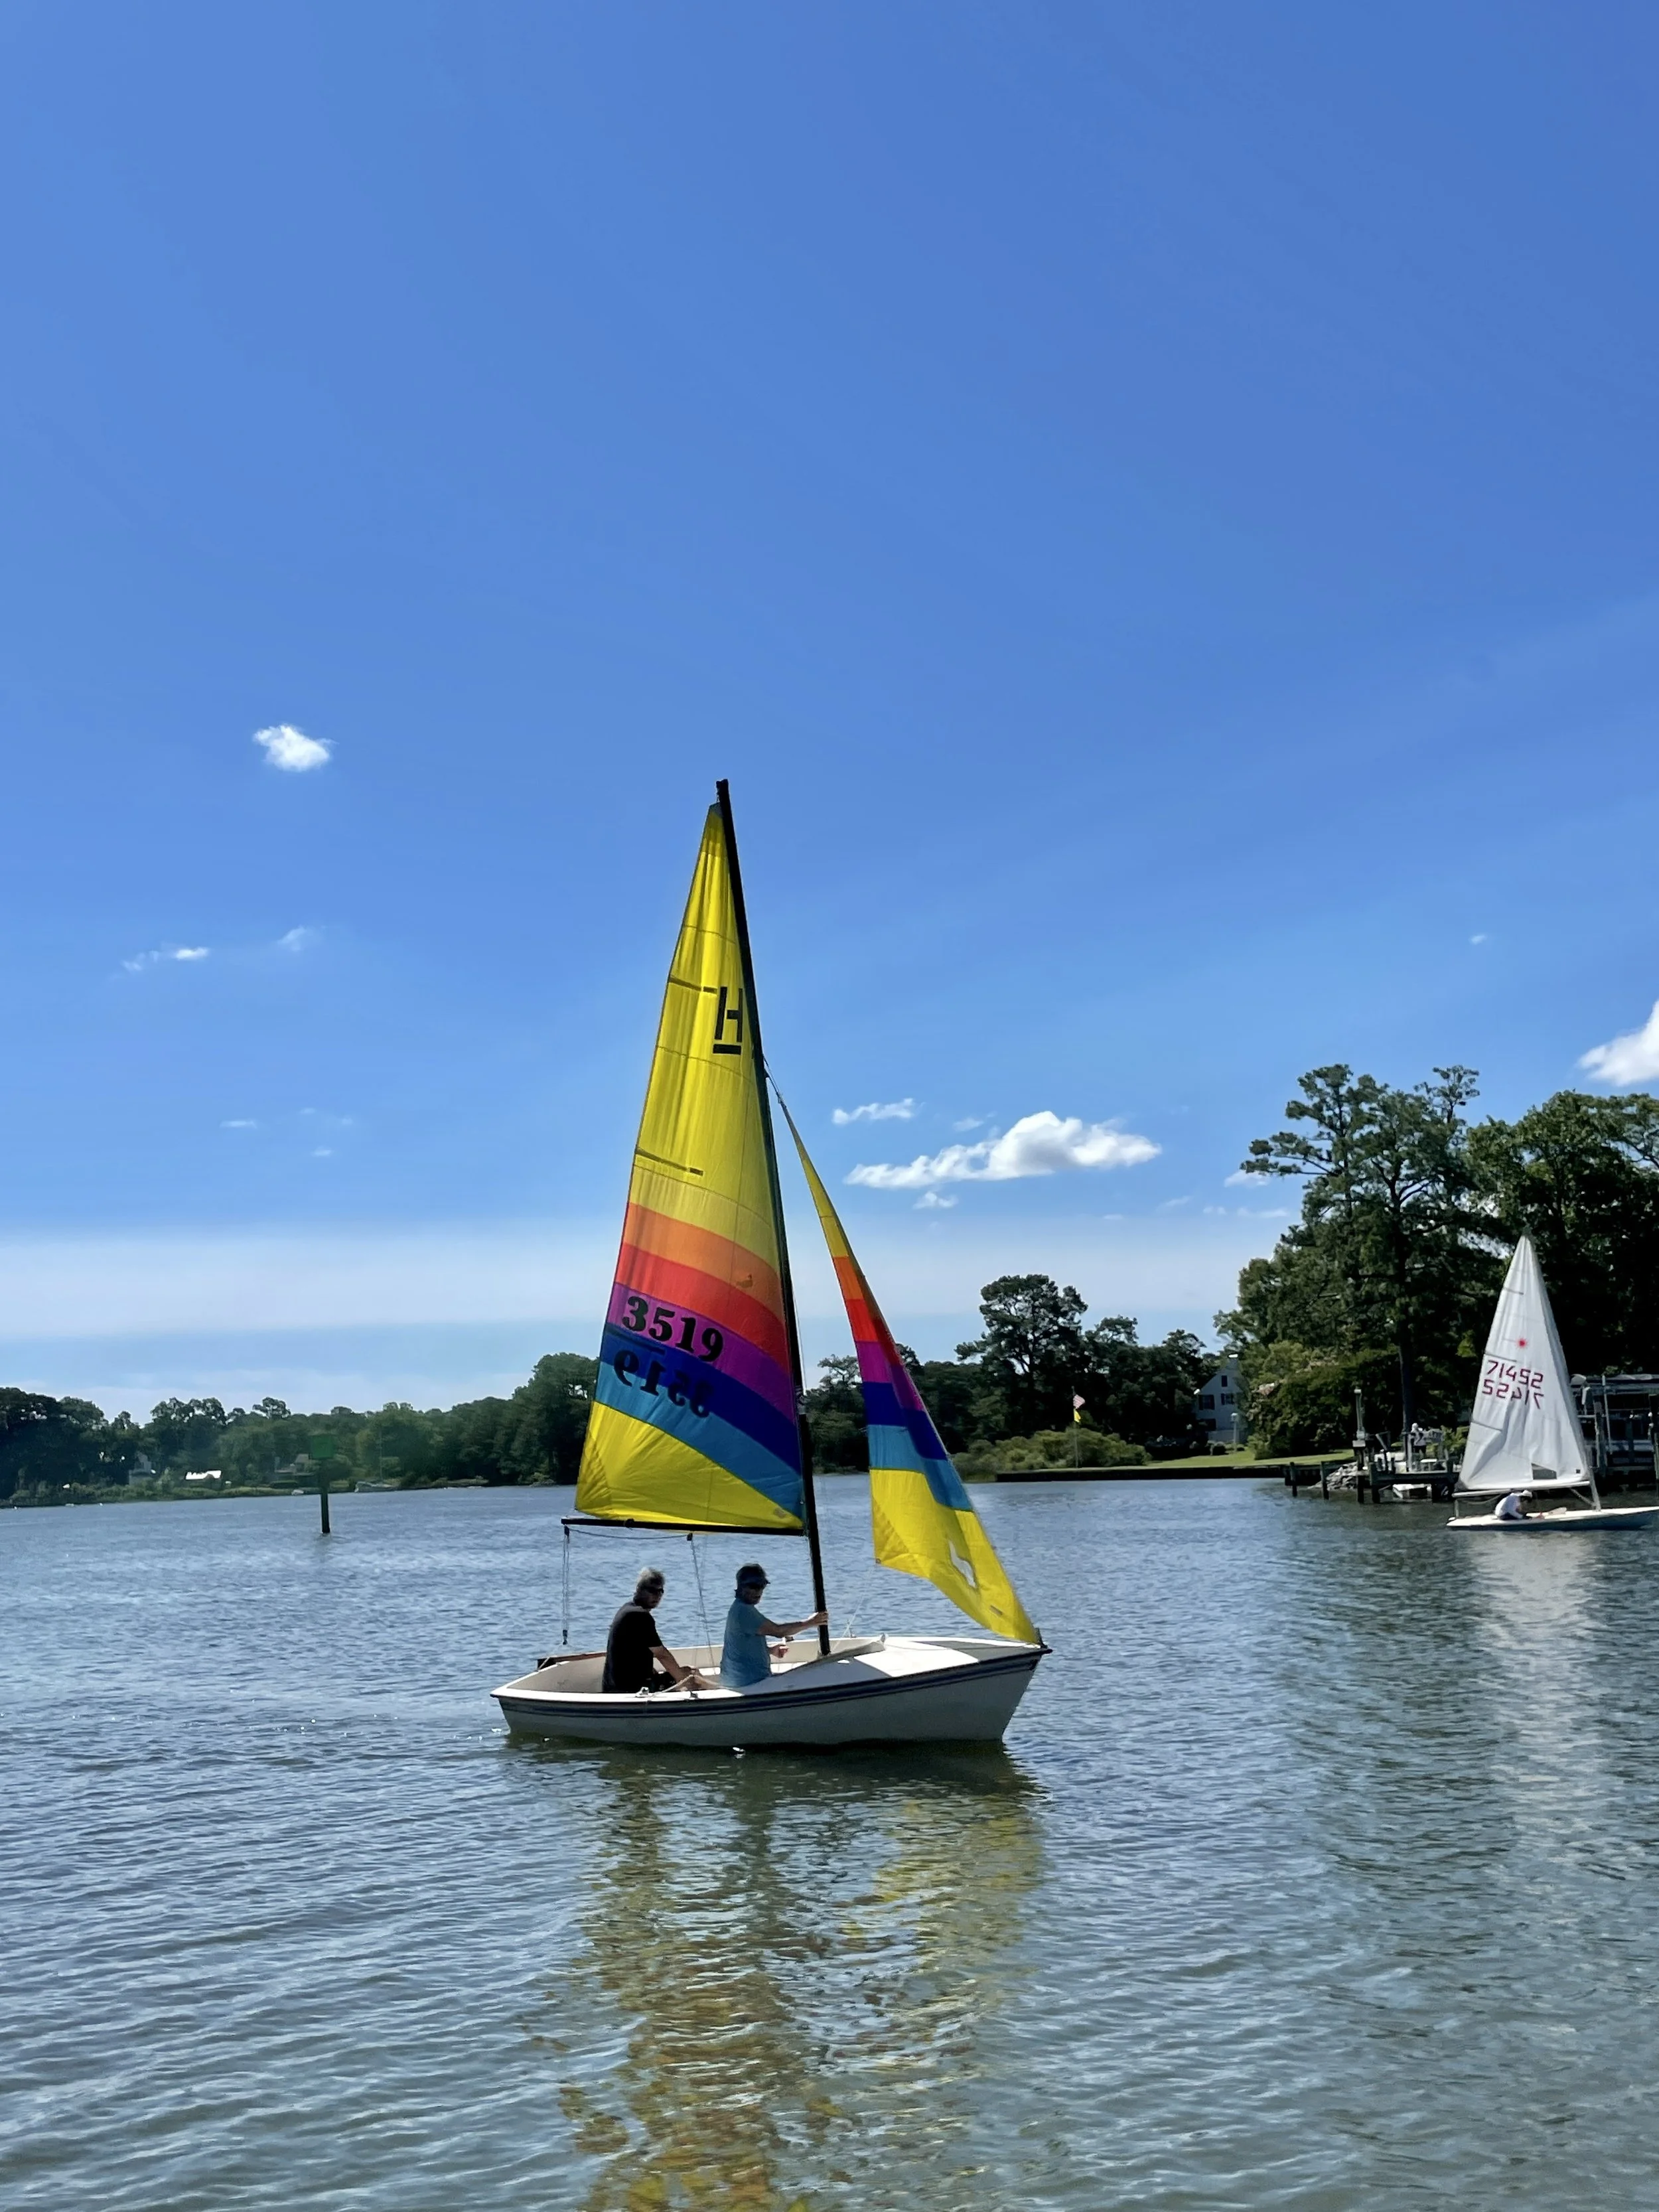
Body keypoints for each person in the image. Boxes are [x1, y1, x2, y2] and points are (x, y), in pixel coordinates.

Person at [719, 1564, 828, 1690]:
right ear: (741, 1587)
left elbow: (742, 1645)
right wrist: (811, 1622)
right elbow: (778, 1632)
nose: (759, 1591)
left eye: (762, 1586)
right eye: (754, 1586)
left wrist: (770, 1650)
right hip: (749, 1683)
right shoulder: (744, 1612)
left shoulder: (739, 1608)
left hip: (738, 1680)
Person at [602, 1569, 709, 1694]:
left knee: (685, 1673)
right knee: (693, 1675)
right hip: (633, 1689)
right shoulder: (640, 1616)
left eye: (661, 1591)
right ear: (639, 1589)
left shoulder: (627, 1610)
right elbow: (661, 1654)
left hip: (614, 1686)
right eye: (652, 1591)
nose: (657, 1596)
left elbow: (633, 1654)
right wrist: (682, 1681)